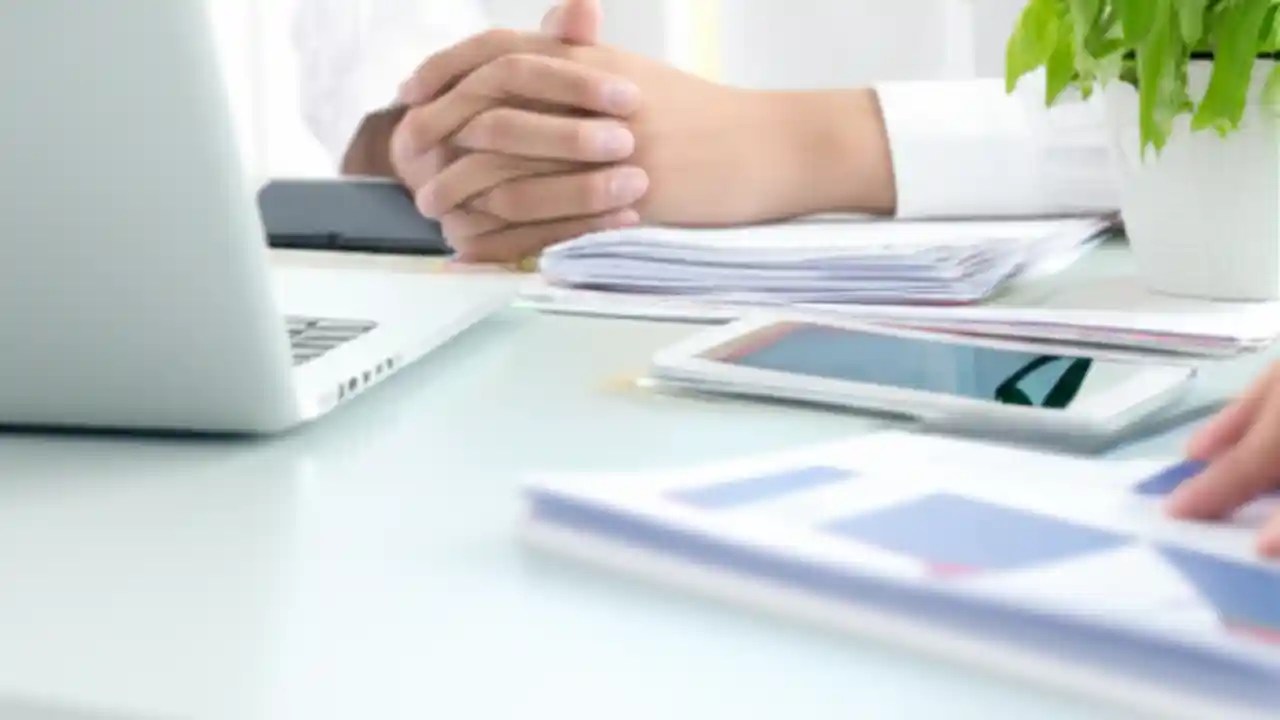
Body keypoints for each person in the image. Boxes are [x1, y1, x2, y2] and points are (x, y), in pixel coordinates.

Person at [295, 0, 1280, 556]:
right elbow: (375, 52)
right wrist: (460, 124)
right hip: (524, 369)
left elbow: (1223, 73)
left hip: (1109, 343)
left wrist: (807, 142)